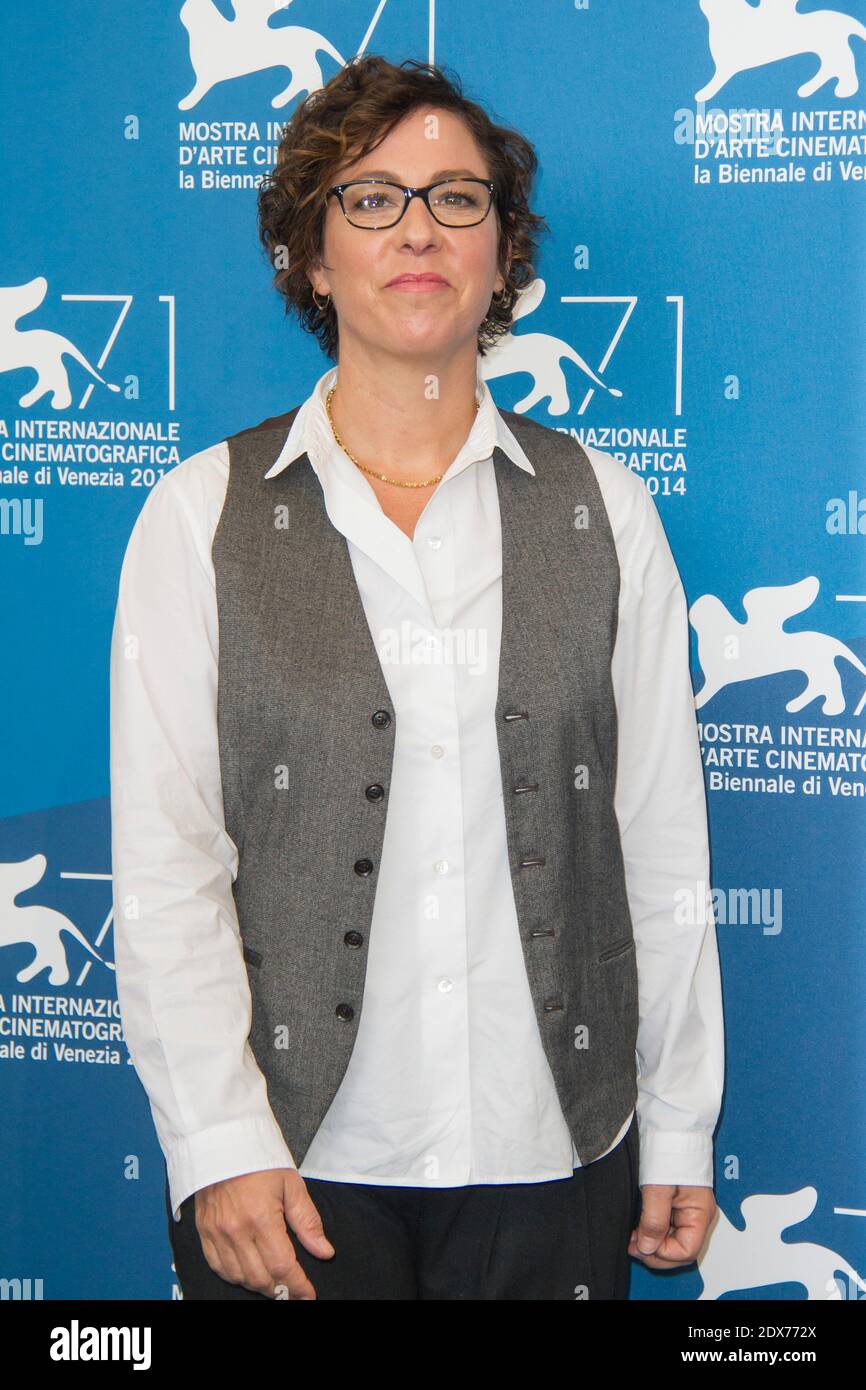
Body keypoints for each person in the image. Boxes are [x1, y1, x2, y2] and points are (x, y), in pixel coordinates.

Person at [109, 54, 724, 1301]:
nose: (418, 231)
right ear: (310, 254)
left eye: (458, 199)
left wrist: (675, 1119)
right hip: (292, 1170)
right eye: (371, 198)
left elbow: (655, 842)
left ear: (503, 258)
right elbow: (170, 860)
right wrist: (216, 1141)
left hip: (551, 1152)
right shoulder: (198, 514)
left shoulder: (604, 509)